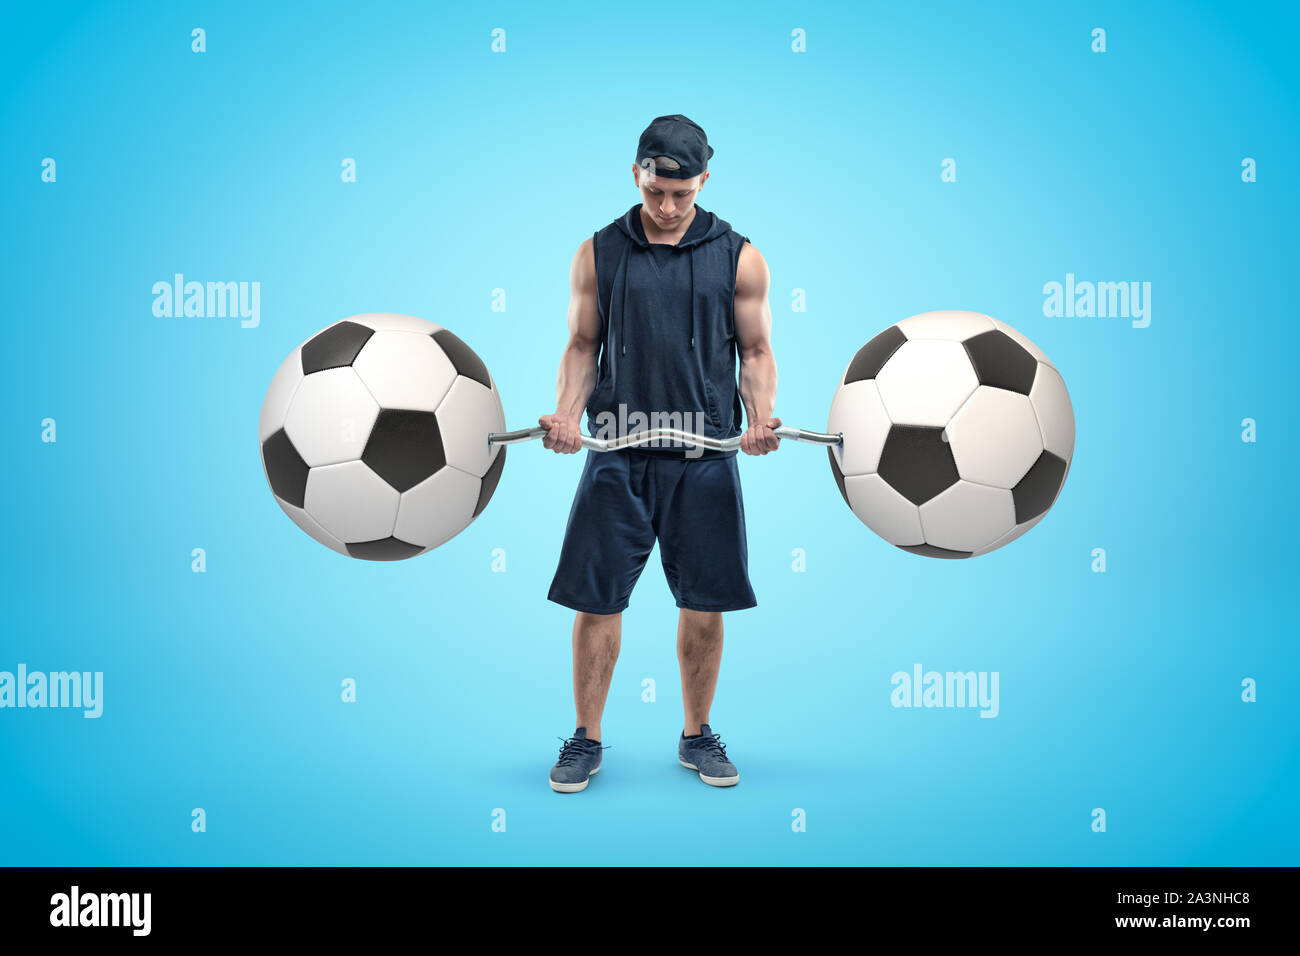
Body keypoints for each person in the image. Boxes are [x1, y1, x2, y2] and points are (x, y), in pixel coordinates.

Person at [539, 114, 780, 793]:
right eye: (655, 193)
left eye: (682, 193)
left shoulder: (739, 255)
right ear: (636, 176)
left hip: (703, 455)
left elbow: (756, 352)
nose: (668, 208)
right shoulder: (597, 252)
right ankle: (586, 739)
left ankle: (696, 734)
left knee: (703, 604)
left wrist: (759, 420)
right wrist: (563, 415)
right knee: (598, 601)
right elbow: (583, 347)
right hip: (617, 449)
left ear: (705, 179)